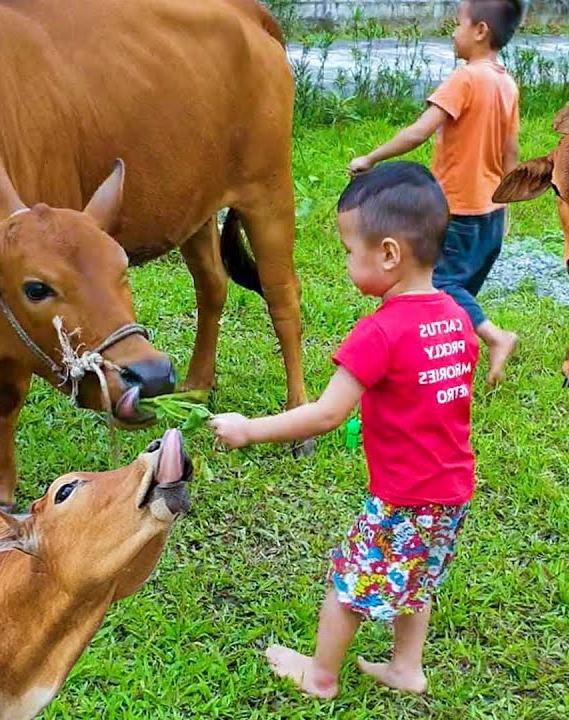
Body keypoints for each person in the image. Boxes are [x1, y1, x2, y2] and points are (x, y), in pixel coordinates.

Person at [209, 162, 479, 699]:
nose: (346, 263)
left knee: (349, 585)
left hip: (403, 497)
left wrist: (249, 429)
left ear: (388, 255)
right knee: (417, 581)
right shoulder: (455, 317)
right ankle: (407, 668)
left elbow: (326, 414)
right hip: (451, 491)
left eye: (348, 252)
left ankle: (321, 675)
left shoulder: (379, 331)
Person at [348, 0, 522, 386]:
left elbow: (420, 130)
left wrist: (371, 158)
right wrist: (506, 208)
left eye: (458, 23)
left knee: (440, 284)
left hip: (458, 209)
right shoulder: (507, 83)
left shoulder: (465, 79)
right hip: (490, 213)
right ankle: (451, 357)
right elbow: (512, 153)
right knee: (457, 297)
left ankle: (495, 337)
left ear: (480, 31)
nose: (452, 32)